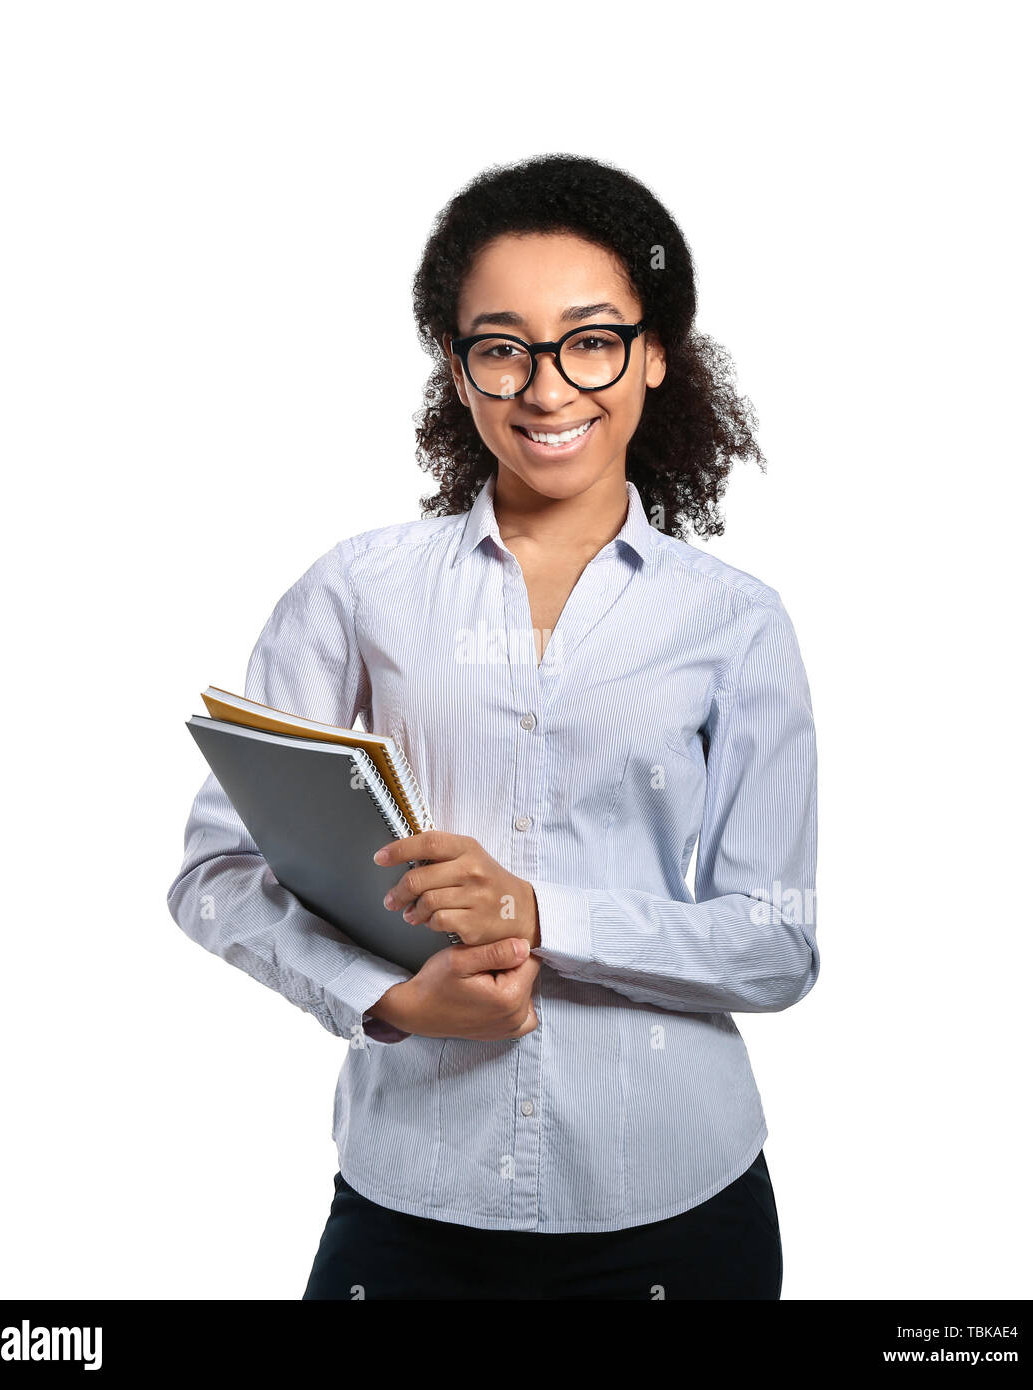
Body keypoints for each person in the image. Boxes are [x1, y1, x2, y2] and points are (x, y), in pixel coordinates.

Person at [167, 153, 819, 1300]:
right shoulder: (356, 592)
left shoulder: (736, 624)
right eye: (503, 346)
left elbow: (774, 944)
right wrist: (384, 999)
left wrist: (537, 911)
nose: (547, 388)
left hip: (675, 1204)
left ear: (654, 352)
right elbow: (216, 872)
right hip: (414, 1197)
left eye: (591, 340)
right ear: (457, 365)